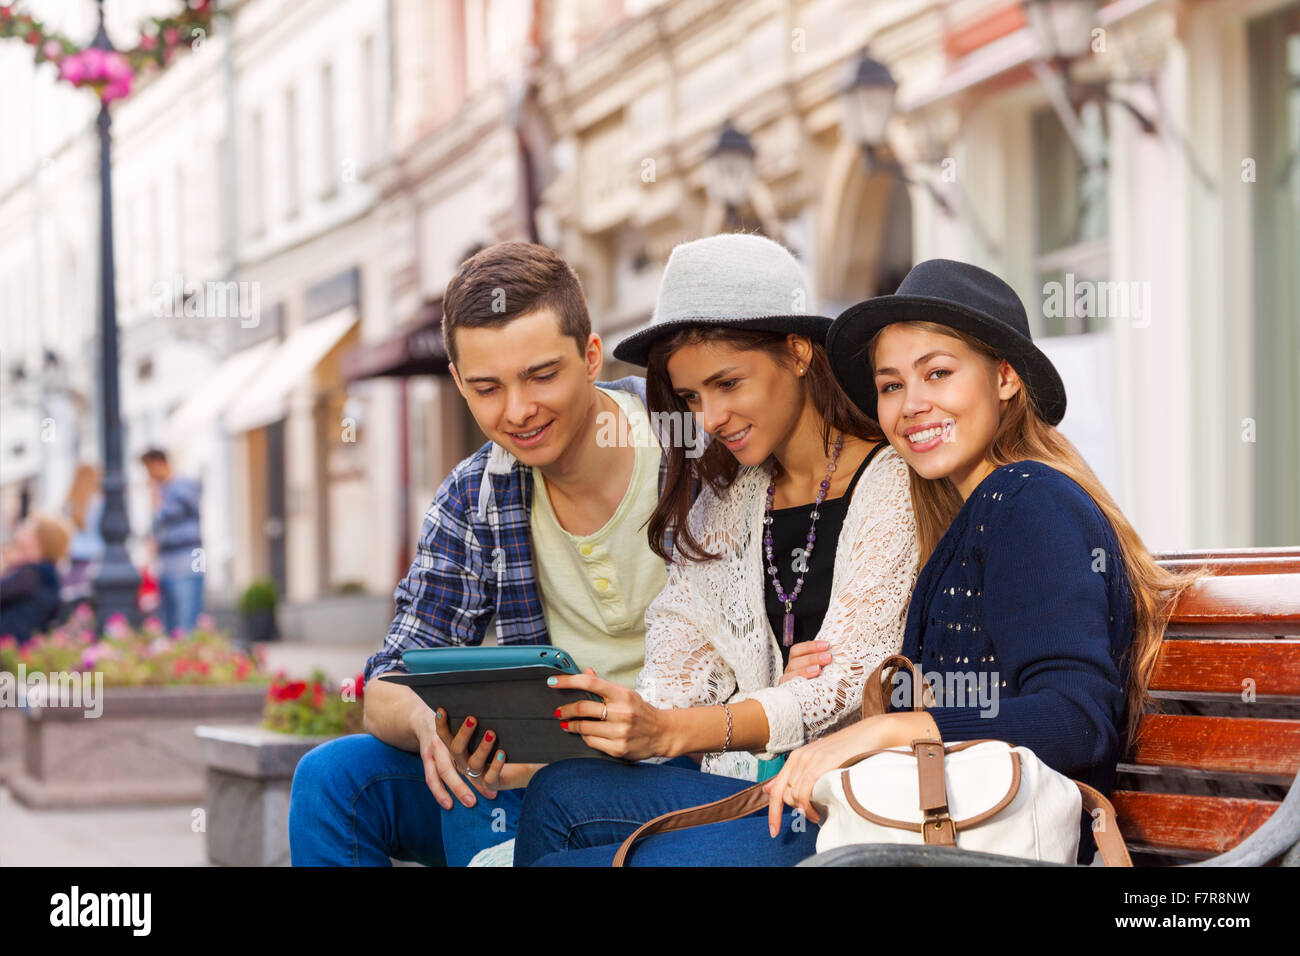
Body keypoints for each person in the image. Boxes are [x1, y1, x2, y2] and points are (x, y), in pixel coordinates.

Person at [756, 258, 1204, 864]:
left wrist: (888, 729)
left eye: (937, 373)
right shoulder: (971, 520)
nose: (911, 405)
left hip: (984, 843)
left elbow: (1077, 720)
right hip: (923, 833)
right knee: (582, 803)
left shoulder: (1028, 499)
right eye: (891, 386)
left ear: (1005, 379)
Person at [512, 233, 919, 867]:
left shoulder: (890, 481)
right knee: (559, 792)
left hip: (845, 803)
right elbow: (671, 683)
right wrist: (626, 718)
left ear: (798, 351)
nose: (710, 418)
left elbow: (842, 686)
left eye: (728, 383)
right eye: (693, 397)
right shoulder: (729, 502)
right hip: (756, 784)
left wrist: (690, 724)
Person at [288, 241, 676, 867]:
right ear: (459, 385)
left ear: (592, 357)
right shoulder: (475, 494)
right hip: (528, 778)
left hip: (674, 766)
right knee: (335, 780)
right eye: (488, 387)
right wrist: (428, 726)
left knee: (508, 795)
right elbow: (384, 684)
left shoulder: (688, 449)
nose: (518, 411)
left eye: (541, 375)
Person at [140, 449, 205, 635]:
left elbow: (174, 513)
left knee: (186, 621)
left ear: (160, 463)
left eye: (149, 469)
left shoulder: (183, 485)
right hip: (167, 563)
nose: (149, 475)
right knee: (168, 624)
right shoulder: (162, 490)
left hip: (188, 561)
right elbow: (157, 526)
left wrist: (157, 501)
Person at [0, 514, 70, 643]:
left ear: (38, 539)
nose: (20, 528)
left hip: (14, 657)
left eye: (26, 527)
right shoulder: (46, 573)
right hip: (22, 655)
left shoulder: (31, 574)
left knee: (20, 665)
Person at [62, 463, 104, 604]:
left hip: (75, 559)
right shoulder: (98, 502)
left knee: (76, 604)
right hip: (94, 557)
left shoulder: (70, 504)